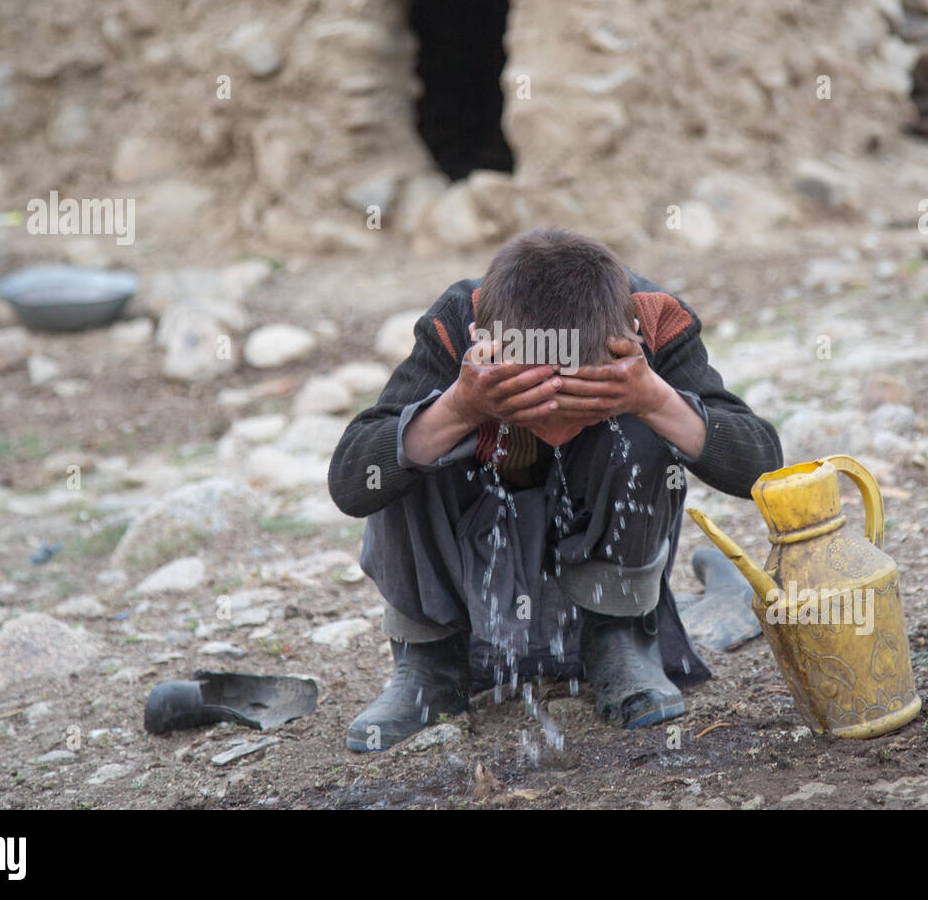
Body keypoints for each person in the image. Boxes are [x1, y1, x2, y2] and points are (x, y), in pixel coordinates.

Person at [327, 228, 782, 751]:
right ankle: (428, 664)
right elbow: (350, 482)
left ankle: (618, 638)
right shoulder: (456, 326)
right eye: (535, 397)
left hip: (600, 585)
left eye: (574, 399)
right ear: (485, 339)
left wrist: (652, 397)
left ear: (625, 337)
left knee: (655, 427)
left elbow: (761, 468)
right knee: (410, 438)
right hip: (470, 588)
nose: (553, 421)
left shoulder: (653, 324)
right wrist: (459, 406)